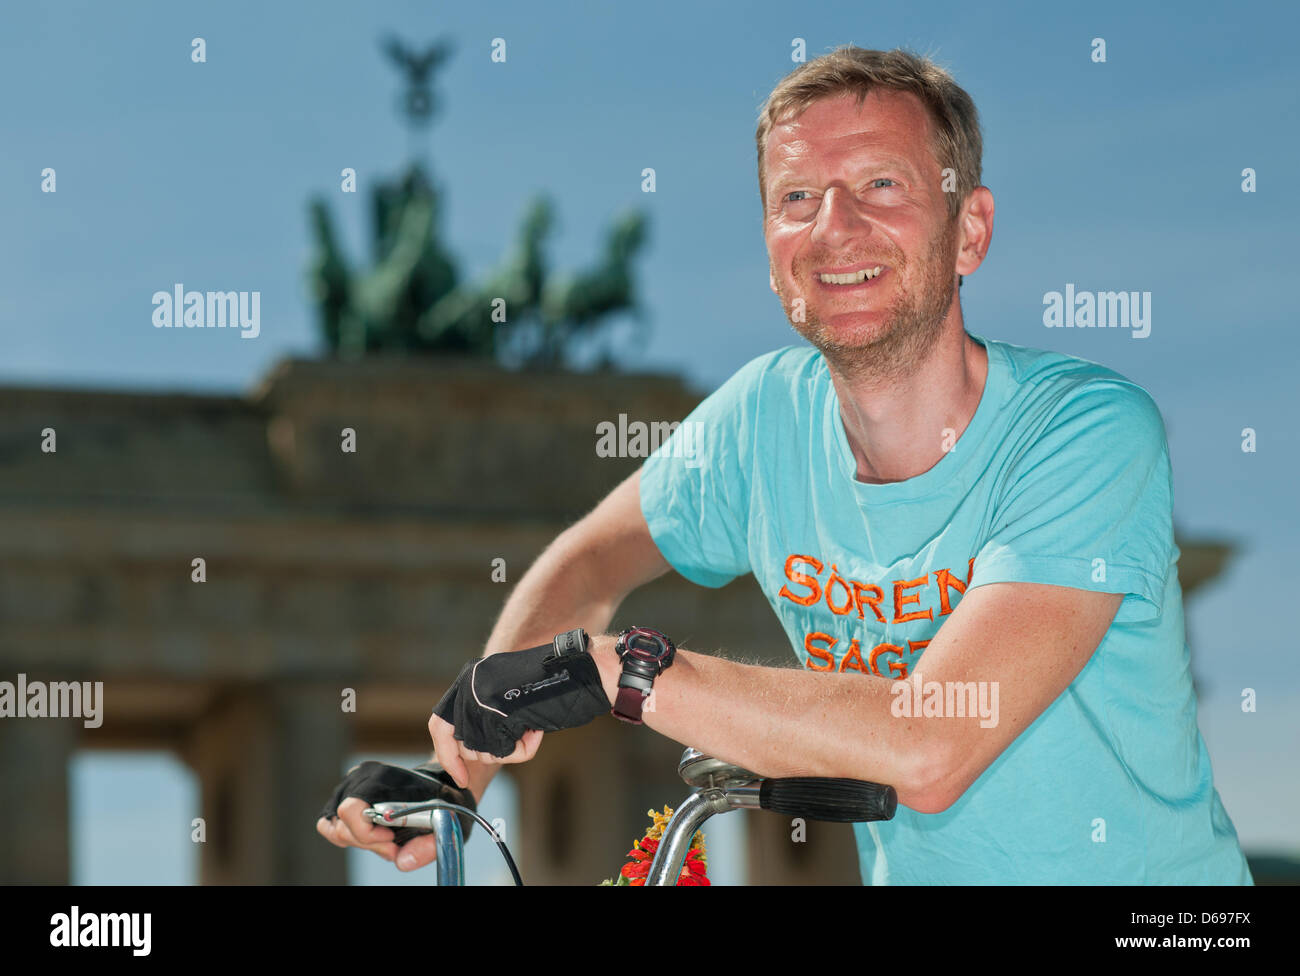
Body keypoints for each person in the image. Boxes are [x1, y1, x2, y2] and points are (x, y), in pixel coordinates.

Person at [318, 46, 1251, 884]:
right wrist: (461, 768)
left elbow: (929, 747)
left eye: (882, 185)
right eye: (797, 198)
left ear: (970, 229)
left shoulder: (1088, 431)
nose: (835, 229)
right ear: (772, 251)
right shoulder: (761, 418)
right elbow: (592, 559)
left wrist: (621, 672)